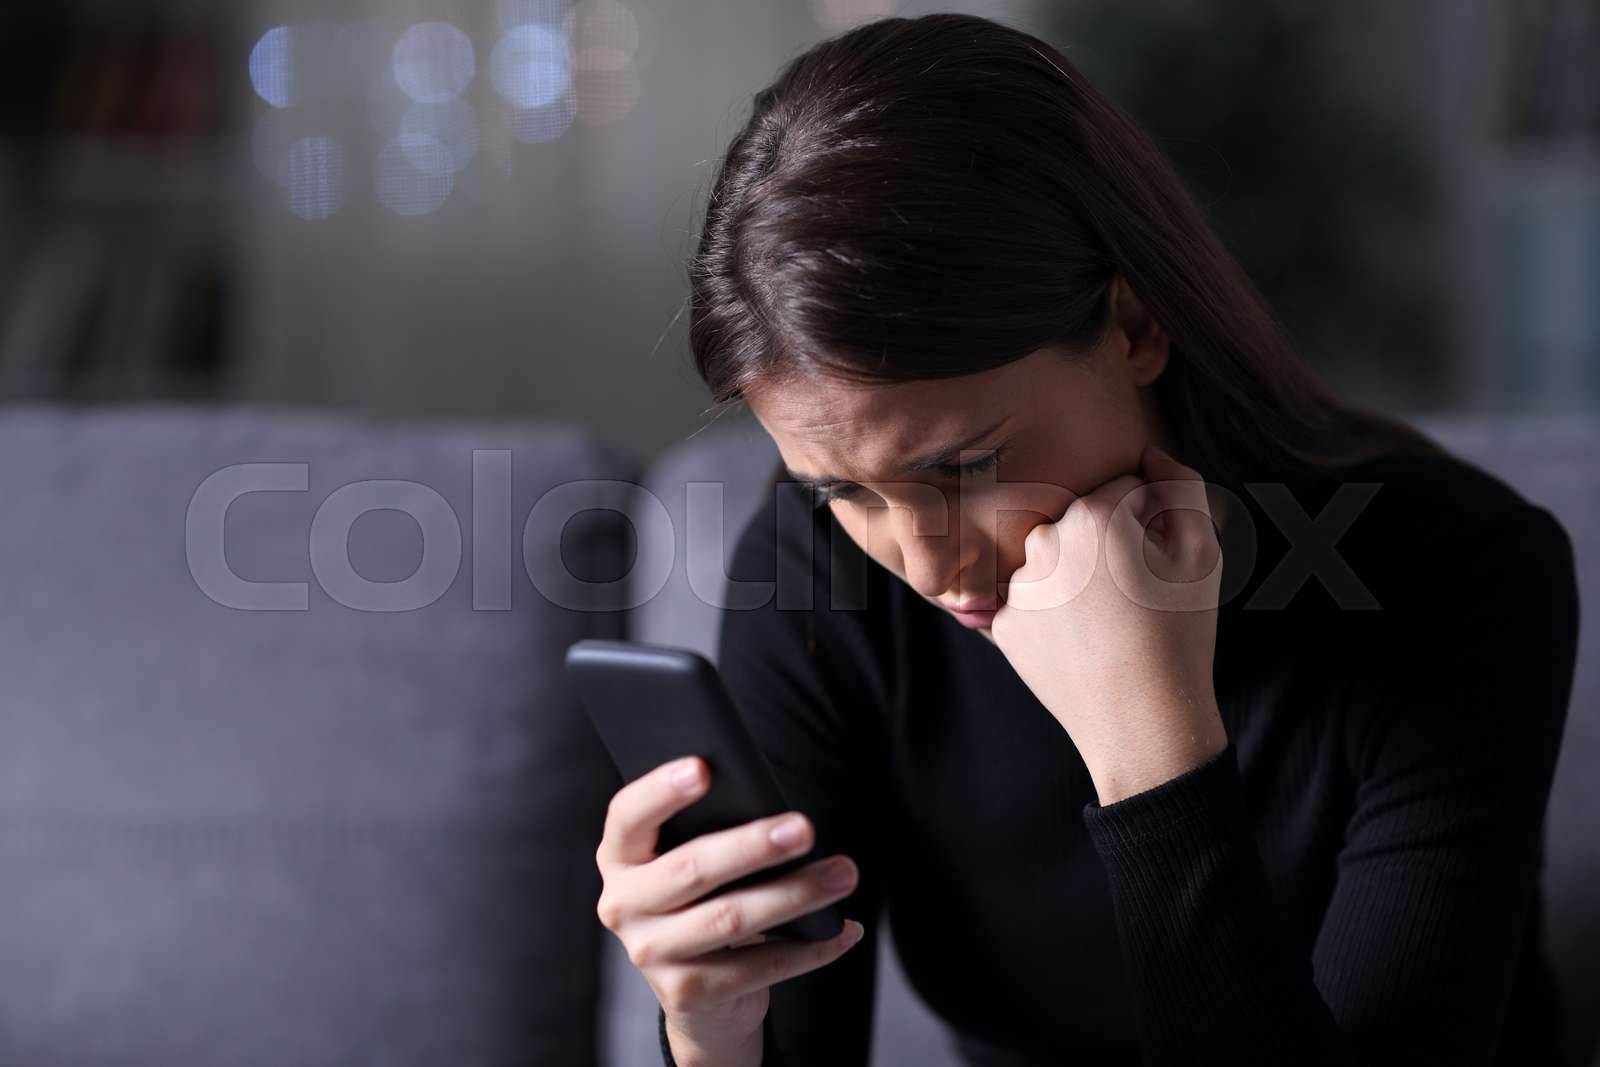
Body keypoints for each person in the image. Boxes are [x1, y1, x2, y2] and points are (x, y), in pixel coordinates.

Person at [592, 13, 1581, 1066]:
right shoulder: (815, 569)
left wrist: (1152, 754)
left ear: (1135, 327)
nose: (929, 567)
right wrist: (713, 1027)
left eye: (963, 465)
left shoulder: (1464, 571)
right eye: (844, 489)